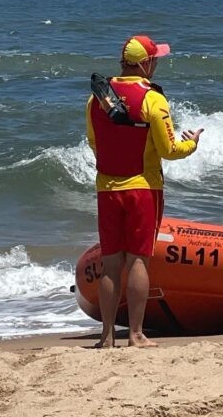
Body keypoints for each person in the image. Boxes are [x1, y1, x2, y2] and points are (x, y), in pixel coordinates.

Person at [86, 35, 203, 348]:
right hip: (143, 190)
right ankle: (136, 334)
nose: (157, 63)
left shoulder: (97, 97)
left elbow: (94, 142)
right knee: (138, 261)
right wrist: (191, 143)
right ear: (144, 63)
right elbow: (169, 150)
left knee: (111, 264)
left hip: (107, 188)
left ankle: (107, 336)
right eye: (155, 59)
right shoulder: (153, 99)